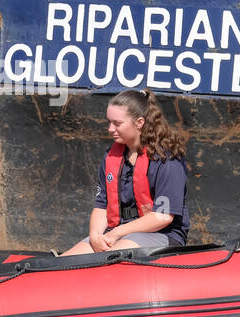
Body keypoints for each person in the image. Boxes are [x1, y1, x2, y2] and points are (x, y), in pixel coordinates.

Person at [62, 89, 190, 255]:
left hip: (163, 235)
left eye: (117, 123)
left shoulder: (167, 161)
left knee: (108, 258)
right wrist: (95, 236)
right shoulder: (111, 157)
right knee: (66, 261)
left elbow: (163, 217)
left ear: (139, 122)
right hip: (117, 233)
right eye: (109, 122)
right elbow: (102, 207)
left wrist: (117, 233)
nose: (110, 128)